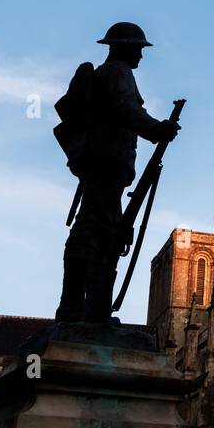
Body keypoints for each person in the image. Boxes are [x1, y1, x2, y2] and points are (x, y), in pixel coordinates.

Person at [55, 22, 180, 322]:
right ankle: (75, 306)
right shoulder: (117, 72)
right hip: (106, 162)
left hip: (107, 165)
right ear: (123, 47)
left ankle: (92, 307)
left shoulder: (110, 73)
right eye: (138, 48)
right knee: (93, 228)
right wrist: (157, 129)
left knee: (107, 232)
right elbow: (127, 109)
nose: (141, 54)